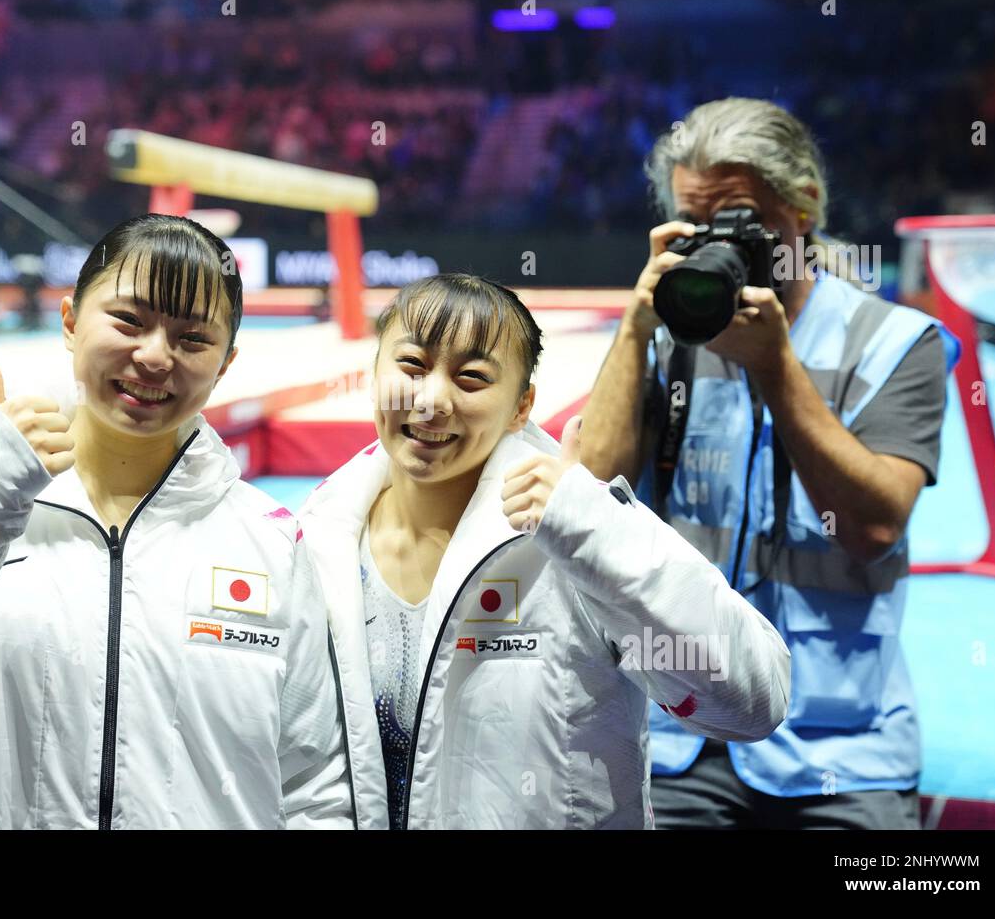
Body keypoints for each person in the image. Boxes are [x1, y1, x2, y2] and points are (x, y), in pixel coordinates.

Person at [0, 214, 352, 829]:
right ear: (68, 320)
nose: (155, 356)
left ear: (225, 363)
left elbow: (318, 786)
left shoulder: (272, 541)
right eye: (129, 320)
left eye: (193, 339)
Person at [578, 97, 959, 829]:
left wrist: (777, 367)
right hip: (680, 728)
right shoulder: (666, 335)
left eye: (742, 220)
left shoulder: (894, 344)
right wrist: (634, 329)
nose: (722, 242)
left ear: (804, 208)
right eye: (699, 221)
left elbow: (874, 527)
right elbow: (589, 500)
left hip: (840, 746)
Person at [299, 272, 791, 829]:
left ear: (521, 406)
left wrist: (596, 532)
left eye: (472, 378)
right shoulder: (317, 540)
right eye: (411, 366)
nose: (431, 400)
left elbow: (752, 702)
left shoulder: (581, 536)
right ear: (374, 374)